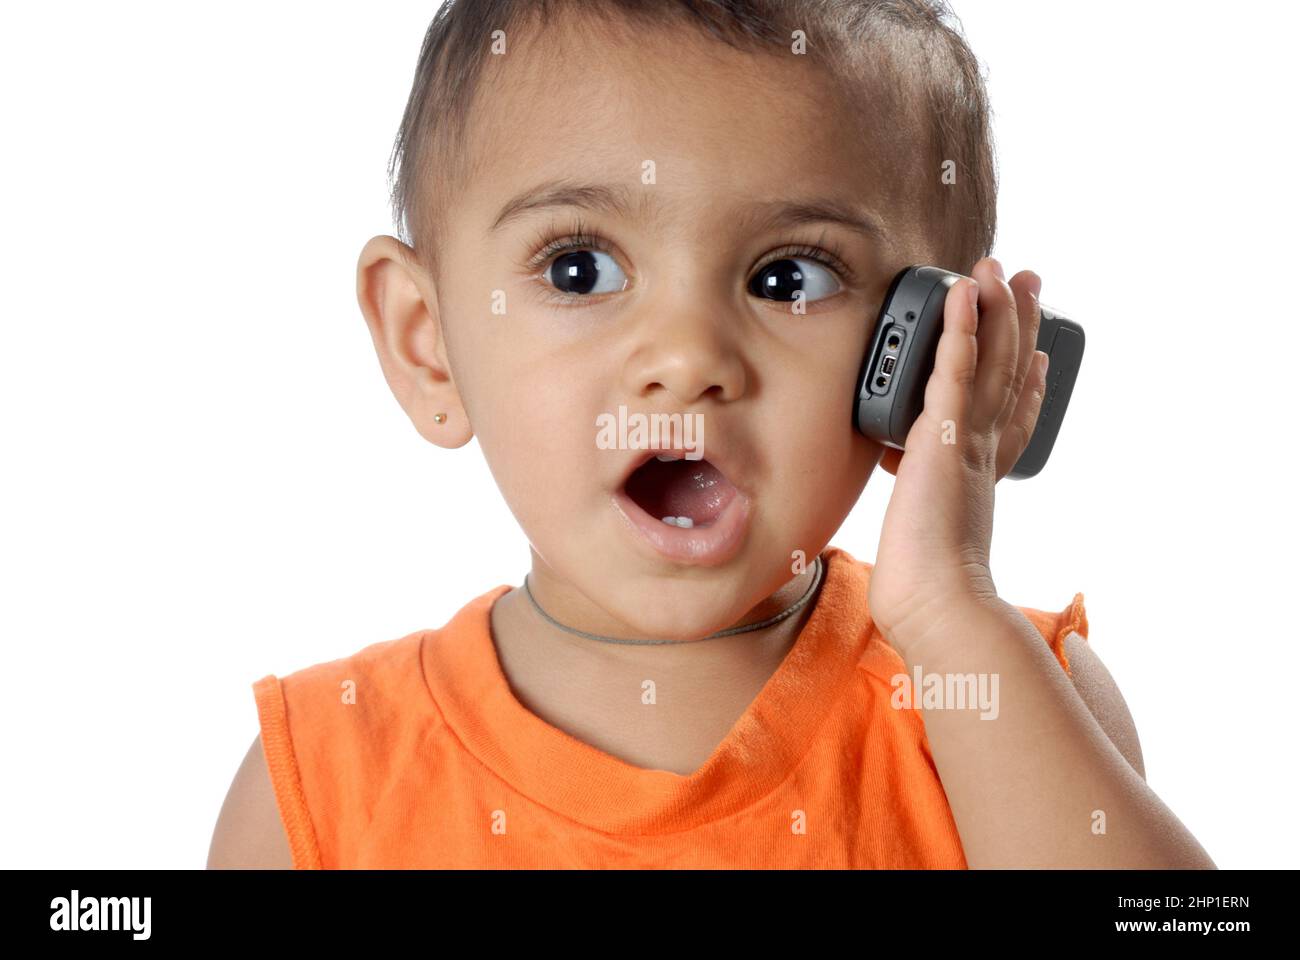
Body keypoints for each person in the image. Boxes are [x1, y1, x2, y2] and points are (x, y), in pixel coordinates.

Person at [207, 0, 1214, 869]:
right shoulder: (321, 780)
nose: (688, 357)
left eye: (790, 278)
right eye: (577, 270)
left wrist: (951, 610)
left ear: (931, 356)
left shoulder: (997, 700)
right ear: (427, 343)